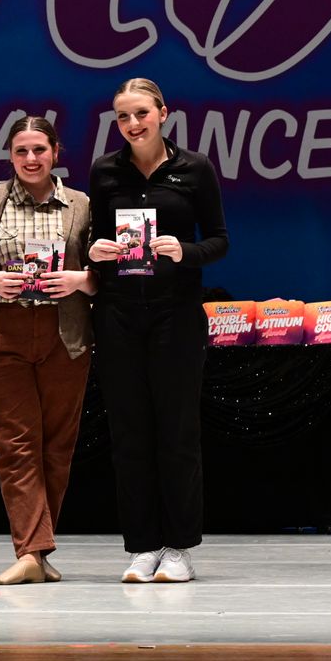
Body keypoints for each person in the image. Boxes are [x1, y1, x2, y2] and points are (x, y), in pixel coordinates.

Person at [88, 78, 229, 584]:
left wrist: (183, 252)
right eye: (123, 117)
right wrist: (96, 252)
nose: (132, 124)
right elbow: (94, 239)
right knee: (129, 434)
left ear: (164, 112)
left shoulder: (195, 168)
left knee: (177, 433)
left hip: (176, 313)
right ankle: (141, 547)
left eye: (141, 113)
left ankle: (179, 547)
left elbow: (219, 240)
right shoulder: (105, 171)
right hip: (120, 313)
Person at [0, 116, 96, 585]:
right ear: (10, 155)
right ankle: (32, 550)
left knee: (57, 446)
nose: (31, 159)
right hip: (3, 334)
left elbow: (108, 273)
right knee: (15, 446)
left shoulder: (81, 206)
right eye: (22, 151)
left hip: (65, 334)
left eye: (40, 149)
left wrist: (80, 279)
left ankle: (36, 551)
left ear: (56, 152)